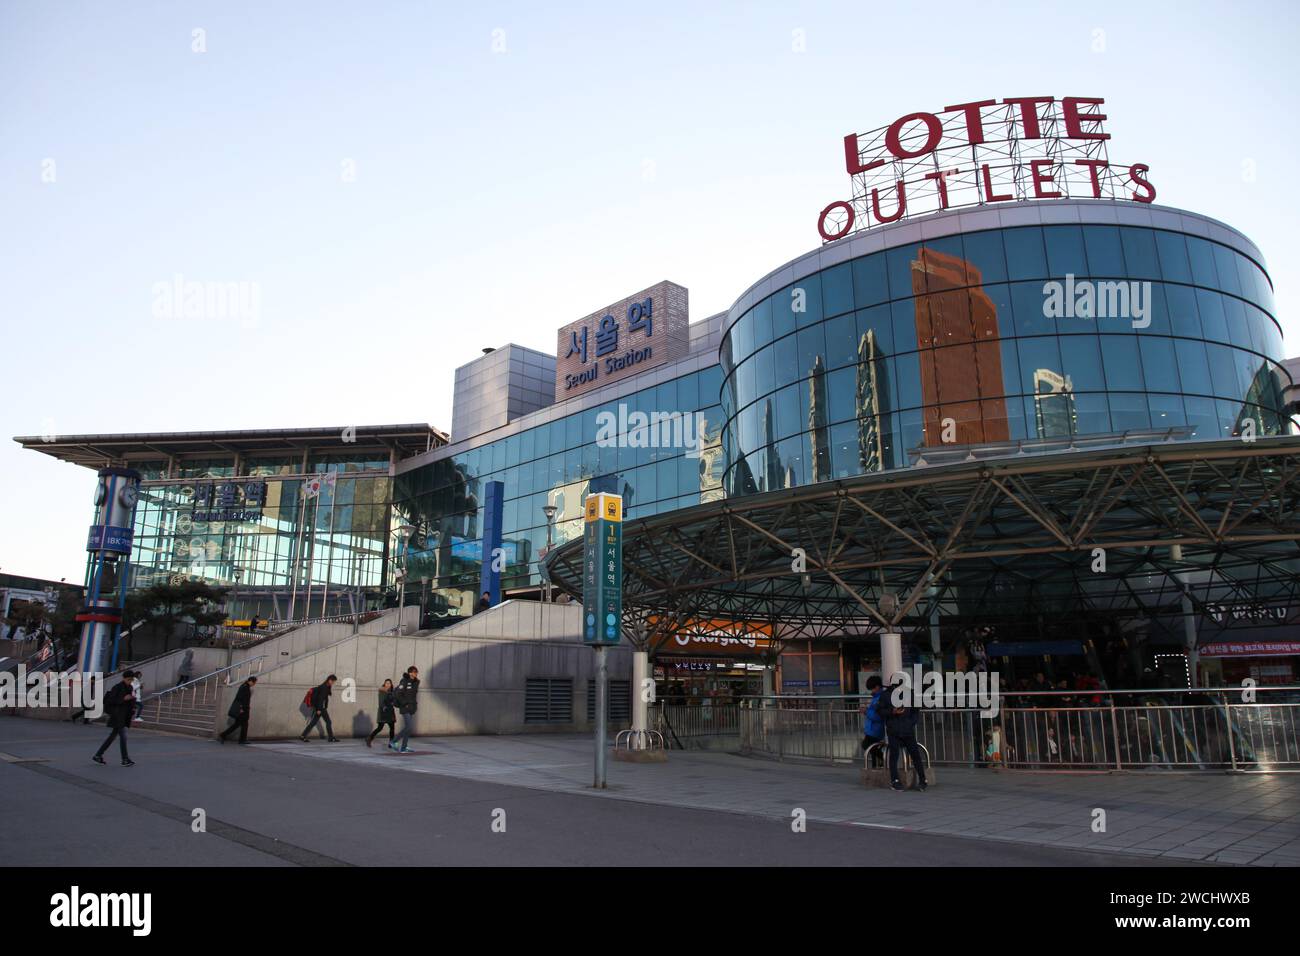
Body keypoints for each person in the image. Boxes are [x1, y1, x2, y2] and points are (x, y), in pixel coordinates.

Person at [881, 679, 928, 792]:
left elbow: (916, 710)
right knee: (894, 755)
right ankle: (895, 781)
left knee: (915, 754)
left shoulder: (909, 693)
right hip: (894, 730)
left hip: (907, 730)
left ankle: (922, 780)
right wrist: (892, 712)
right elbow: (880, 711)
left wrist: (911, 722)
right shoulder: (886, 695)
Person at [92, 671, 137, 767]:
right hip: (117, 715)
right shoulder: (117, 687)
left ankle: (98, 755)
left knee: (112, 737)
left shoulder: (130, 687)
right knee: (123, 737)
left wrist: (132, 706)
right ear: (124, 678)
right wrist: (123, 699)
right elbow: (110, 700)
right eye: (129, 679)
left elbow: (130, 701)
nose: (130, 681)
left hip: (123, 715)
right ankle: (125, 759)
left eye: (132, 679)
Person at [299, 675, 339, 742]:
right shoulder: (324, 687)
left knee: (314, 722)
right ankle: (331, 737)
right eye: (333, 681)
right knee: (328, 722)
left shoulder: (325, 686)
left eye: (334, 682)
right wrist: (319, 709)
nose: (333, 683)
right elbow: (320, 699)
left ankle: (303, 735)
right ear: (329, 680)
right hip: (321, 708)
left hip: (321, 708)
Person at [219, 676, 257, 744]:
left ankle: (223, 735)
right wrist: (241, 708)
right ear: (250, 681)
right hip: (243, 709)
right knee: (244, 724)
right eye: (254, 683)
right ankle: (242, 740)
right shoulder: (245, 687)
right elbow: (240, 698)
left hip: (243, 708)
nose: (254, 684)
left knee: (237, 724)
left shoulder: (244, 686)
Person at [859, 675, 886, 768]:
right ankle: (877, 766)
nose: (871, 691)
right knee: (873, 750)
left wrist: (866, 711)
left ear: (877, 687)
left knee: (867, 745)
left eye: (872, 689)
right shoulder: (876, 698)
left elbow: (878, 716)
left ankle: (883, 759)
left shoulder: (880, 698)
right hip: (872, 729)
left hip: (876, 730)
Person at [392, 666, 419, 753]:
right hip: (405, 707)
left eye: (416, 672)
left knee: (408, 728)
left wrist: (413, 706)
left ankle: (404, 747)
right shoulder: (404, 681)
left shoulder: (416, 682)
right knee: (408, 726)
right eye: (414, 672)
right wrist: (405, 704)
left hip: (411, 707)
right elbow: (398, 694)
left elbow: (412, 696)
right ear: (410, 673)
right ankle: (394, 741)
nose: (416, 673)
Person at [367, 679, 398, 748]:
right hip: (383, 711)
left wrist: (395, 703)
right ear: (384, 684)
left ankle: (391, 743)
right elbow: (381, 701)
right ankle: (369, 738)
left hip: (390, 712)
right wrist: (384, 707)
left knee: (392, 728)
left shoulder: (392, 692)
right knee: (380, 728)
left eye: (389, 683)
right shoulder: (382, 691)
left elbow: (394, 701)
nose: (388, 684)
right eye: (386, 683)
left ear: (391, 684)